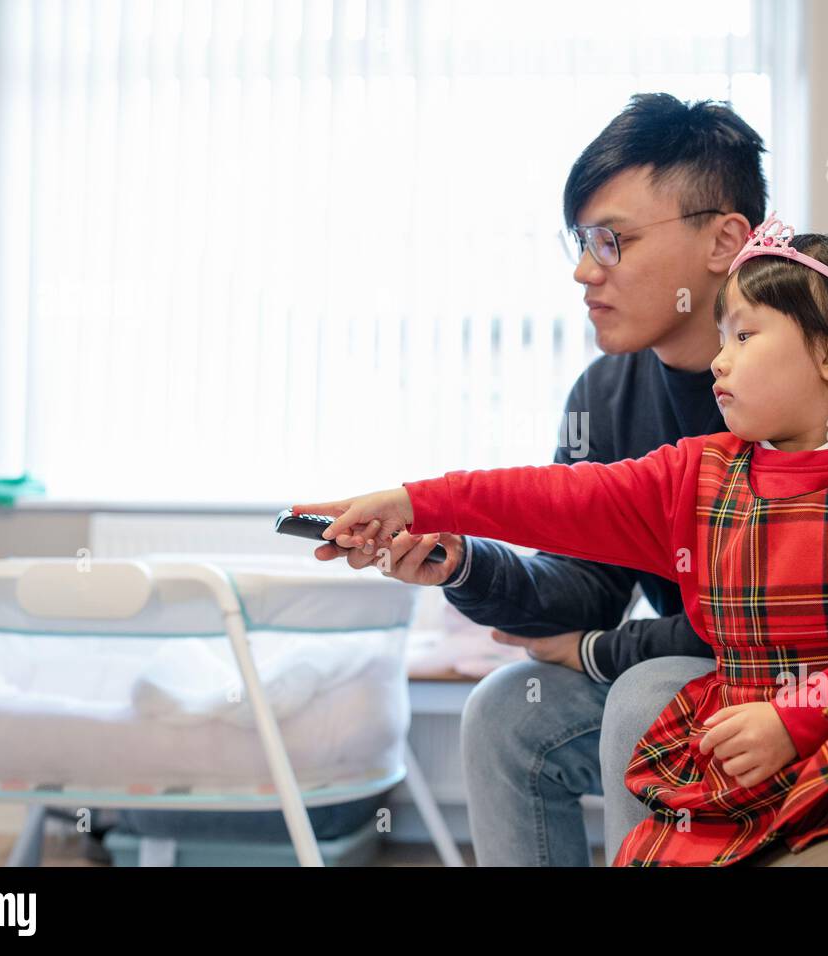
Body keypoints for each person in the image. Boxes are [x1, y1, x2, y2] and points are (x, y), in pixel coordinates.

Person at [293, 213, 828, 866]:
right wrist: (413, 501)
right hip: (747, 725)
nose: (721, 361)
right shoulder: (698, 474)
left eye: (746, 336)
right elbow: (555, 498)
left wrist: (797, 717)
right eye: (721, 335)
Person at [311, 92, 769, 865]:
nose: (585, 271)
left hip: (797, 682)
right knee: (503, 713)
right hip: (672, 668)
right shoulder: (606, 393)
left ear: (726, 239)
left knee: (650, 693)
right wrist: (461, 560)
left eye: (612, 241)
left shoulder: (802, 382)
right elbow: (585, 581)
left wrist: (597, 651)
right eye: (582, 243)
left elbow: (771, 618)